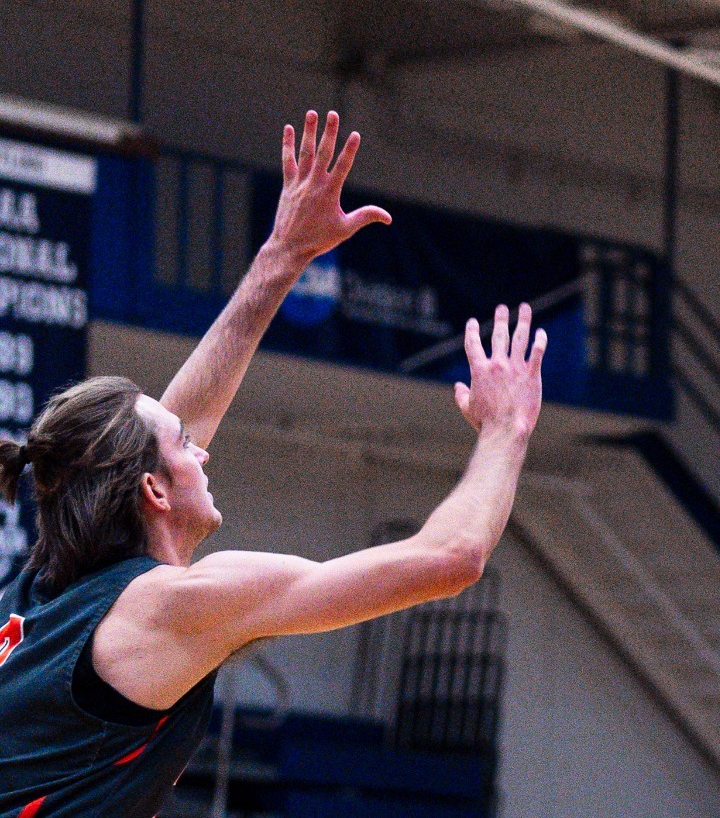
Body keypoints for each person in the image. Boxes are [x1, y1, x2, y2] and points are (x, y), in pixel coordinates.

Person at [0, 112, 547, 817]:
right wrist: (505, 432)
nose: (202, 447)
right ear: (152, 492)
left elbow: (166, 431)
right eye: (184, 446)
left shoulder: (43, 592)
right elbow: (452, 556)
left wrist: (282, 258)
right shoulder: (172, 607)